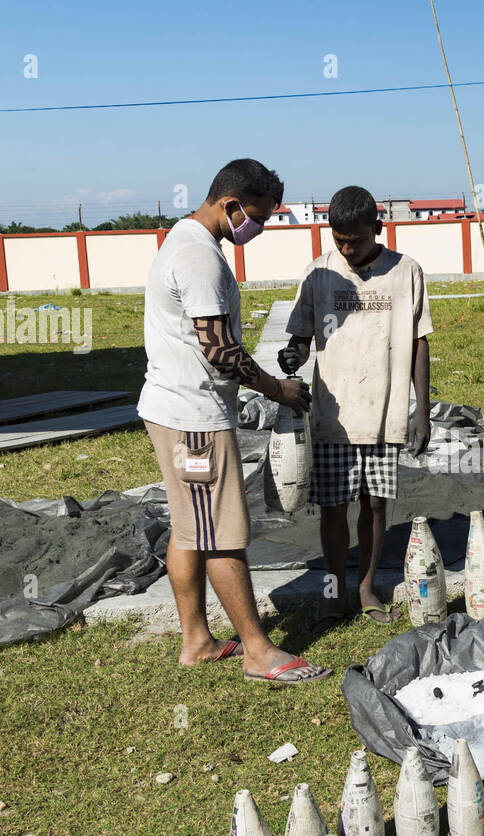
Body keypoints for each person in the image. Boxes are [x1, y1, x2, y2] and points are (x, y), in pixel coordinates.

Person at [138, 158, 330, 684]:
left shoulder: (181, 238)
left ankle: (197, 640)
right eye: (259, 217)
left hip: (170, 408)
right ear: (230, 204)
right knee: (222, 533)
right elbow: (222, 353)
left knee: (189, 528)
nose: (260, 227)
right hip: (193, 417)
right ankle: (257, 651)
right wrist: (280, 390)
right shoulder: (200, 259)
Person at [279, 186, 432, 629]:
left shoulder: (406, 272)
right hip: (333, 415)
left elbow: (420, 341)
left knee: (376, 504)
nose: (347, 249)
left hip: (384, 413)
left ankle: (366, 588)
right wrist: (293, 355)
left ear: (378, 230)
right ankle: (335, 590)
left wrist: (421, 410)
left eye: (357, 241)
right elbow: (301, 338)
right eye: (339, 240)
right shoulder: (320, 273)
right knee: (332, 506)